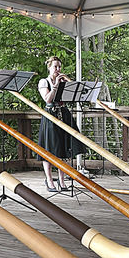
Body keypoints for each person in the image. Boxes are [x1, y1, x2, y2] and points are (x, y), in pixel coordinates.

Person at [37, 56, 86, 192]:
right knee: (49, 148)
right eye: (55, 67)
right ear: (49, 67)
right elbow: (47, 99)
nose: (58, 69)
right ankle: (49, 180)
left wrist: (68, 87)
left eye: (59, 67)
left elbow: (69, 99)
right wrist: (56, 86)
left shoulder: (62, 81)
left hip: (63, 114)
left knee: (64, 147)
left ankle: (62, 181)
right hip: (50, 115)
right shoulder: (44, 82)